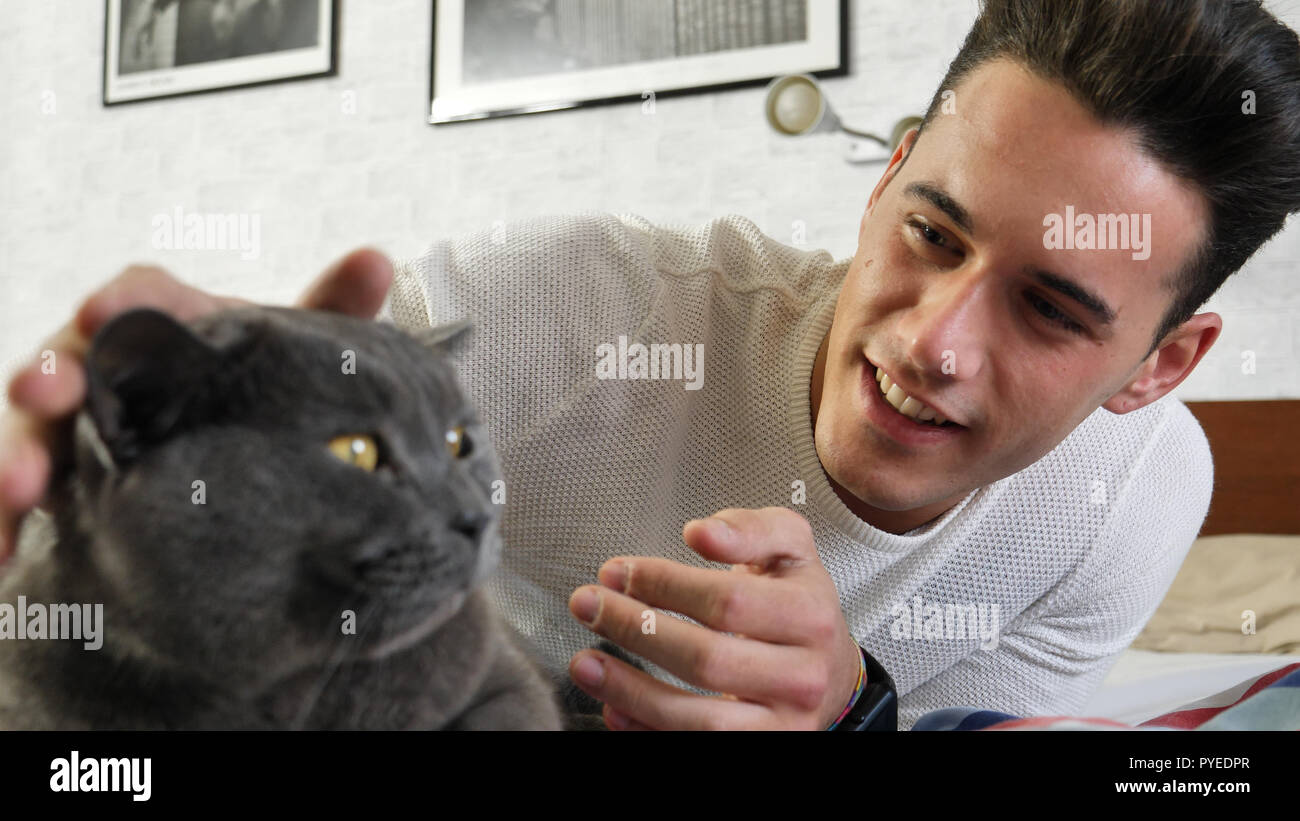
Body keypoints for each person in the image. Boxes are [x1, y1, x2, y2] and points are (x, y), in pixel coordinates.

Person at [4, 0, 1299, 730]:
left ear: (1161, 363)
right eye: (930, 230)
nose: (931, 341)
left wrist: (856, 715)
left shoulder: (1129, 502)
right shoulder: (562, 304)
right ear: (888, 173)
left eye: (1050, 310)